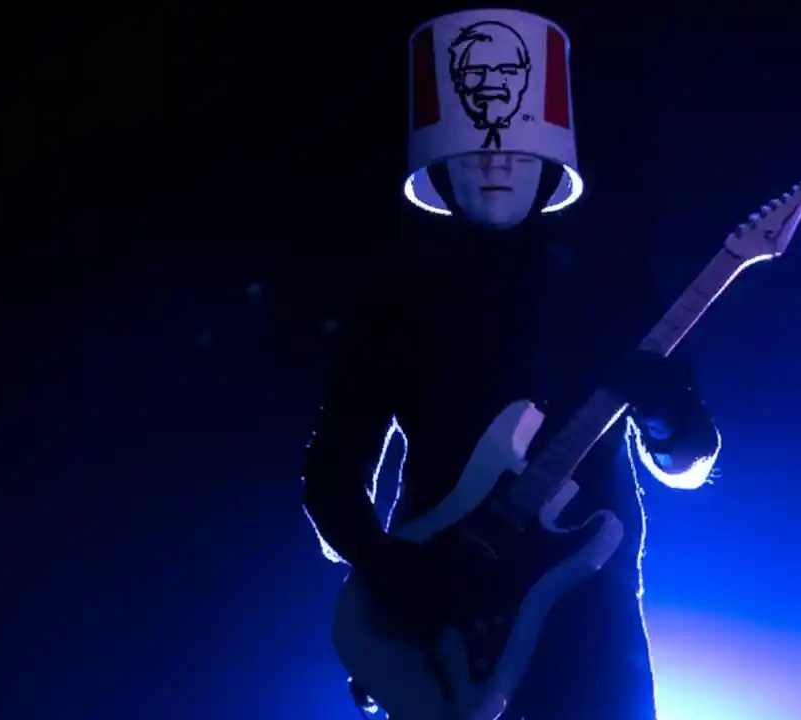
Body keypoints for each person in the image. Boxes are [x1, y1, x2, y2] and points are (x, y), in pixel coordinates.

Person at [300, 10, 721, 719]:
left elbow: (689, 458)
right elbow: (330, 478)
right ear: (441, 168)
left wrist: (662, 408)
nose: (496, 160)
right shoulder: (397, 299)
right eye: (474, 153)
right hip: (443, 623)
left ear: (548, 166)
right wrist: (389, 574)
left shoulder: (609, 288)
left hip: (590, 621)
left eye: (519, 154)